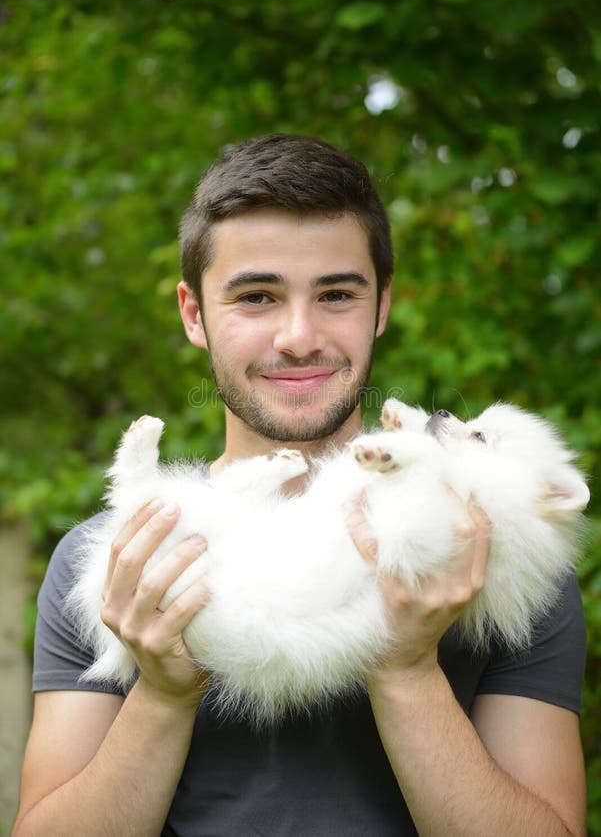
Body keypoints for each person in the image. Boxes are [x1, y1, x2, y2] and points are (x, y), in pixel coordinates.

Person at [14, 135, 586, 836]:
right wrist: (163, 695)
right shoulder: (113, 556)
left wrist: (405, 667)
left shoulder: (494, 556)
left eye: (336, 295)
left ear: (380, 308)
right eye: (256, 296)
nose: (297, 336)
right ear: (194, 314)